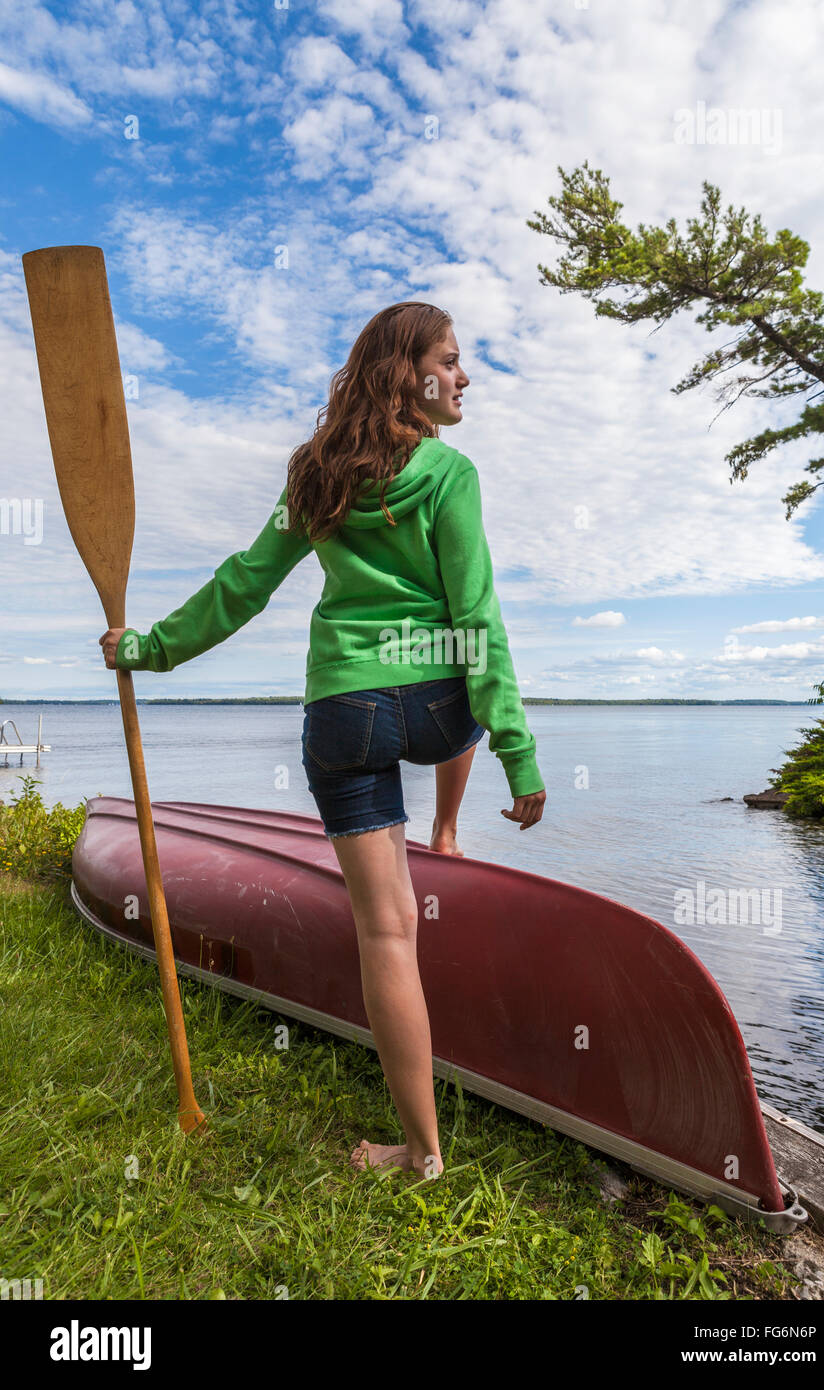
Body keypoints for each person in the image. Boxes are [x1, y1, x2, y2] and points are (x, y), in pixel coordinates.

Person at [100, 302, 546, 1181]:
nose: (464, 378)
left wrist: (150, 648)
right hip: (434, 713)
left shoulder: (316, 474)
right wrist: (517, 750)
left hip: (342, 716)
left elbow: (244, 584)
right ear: (408, 373)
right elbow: (478, 621)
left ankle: (420, 1153)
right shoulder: (451, 477)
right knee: (457, 650)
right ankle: (449, 828)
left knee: (386, 931)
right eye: (451, 362)